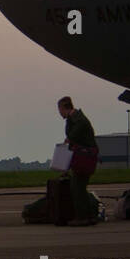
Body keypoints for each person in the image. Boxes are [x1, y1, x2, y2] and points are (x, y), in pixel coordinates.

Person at [57, 96, 98, 226]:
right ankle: (89, 216)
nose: (59, 113)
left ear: (64, 108)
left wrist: (68, 140)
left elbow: (72, 138)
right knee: (80, 187)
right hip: (84, 157)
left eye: (59, 109)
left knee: (77, 187)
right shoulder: (76, 119)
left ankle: (82, 217)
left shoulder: (77, 120)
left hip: (84, 158)